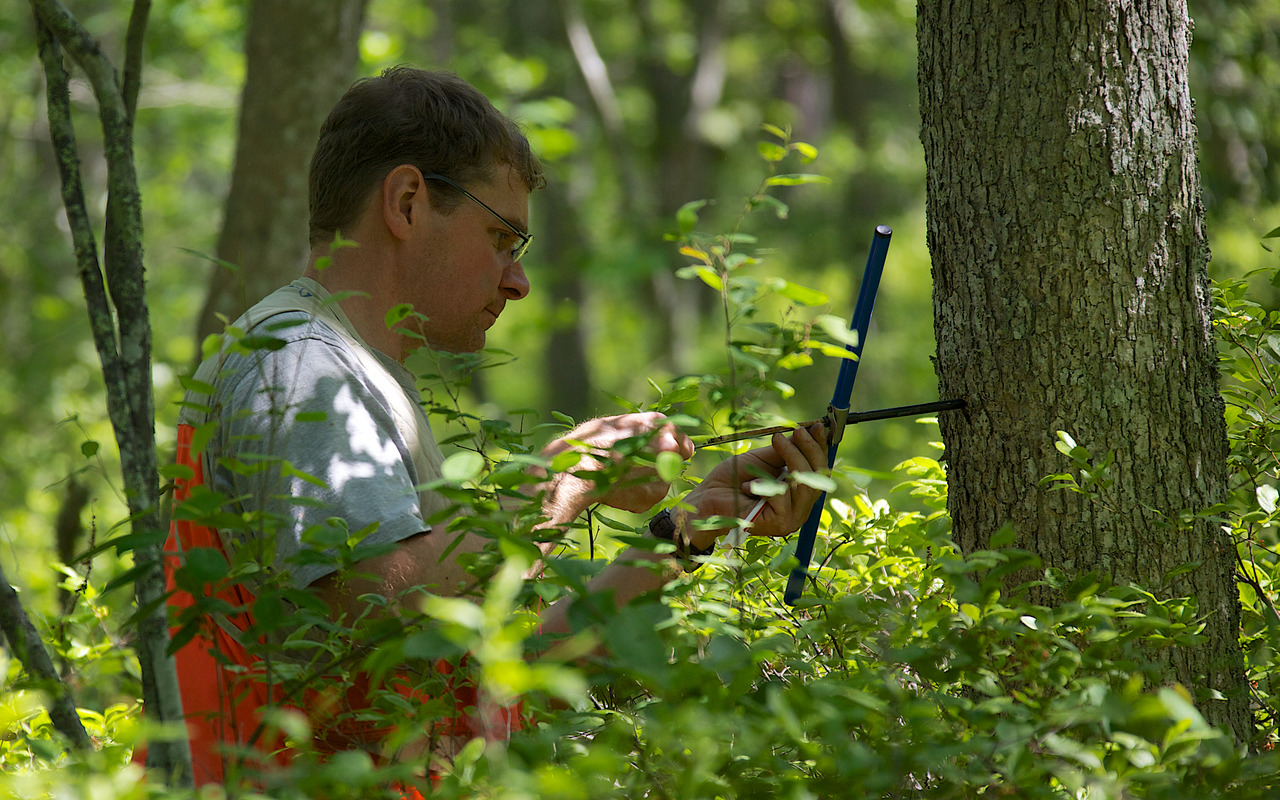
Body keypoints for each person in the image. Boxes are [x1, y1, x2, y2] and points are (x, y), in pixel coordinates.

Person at [162, 66, 829, 787]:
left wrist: (688, 531)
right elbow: (383, 613)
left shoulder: (354, 377)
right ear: (408, 202)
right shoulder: (302, 369)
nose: (518, 281)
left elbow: (483, 674)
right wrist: (573, 472)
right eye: (501, 238)